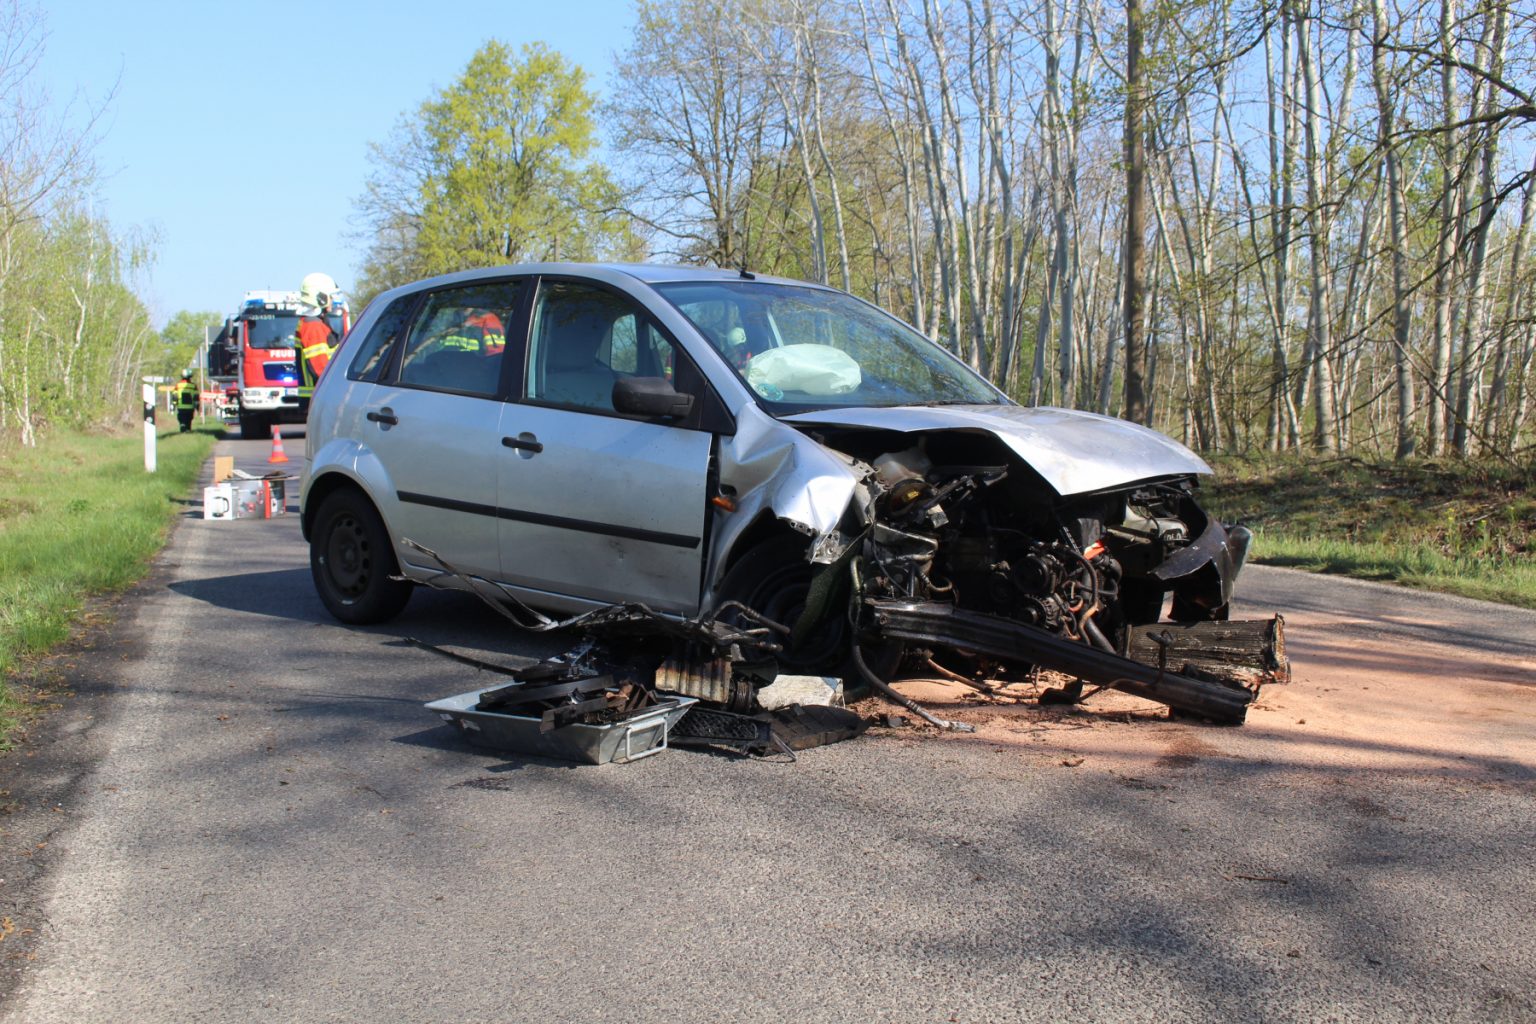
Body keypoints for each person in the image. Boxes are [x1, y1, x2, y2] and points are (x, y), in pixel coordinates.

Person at [295, 271, 341, 399]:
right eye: (330, 297)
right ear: (321, 298)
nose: (332, 300)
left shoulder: (310, 323)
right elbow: (320, 369)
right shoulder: (313, 326)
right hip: (320, 396)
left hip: (317, 396)